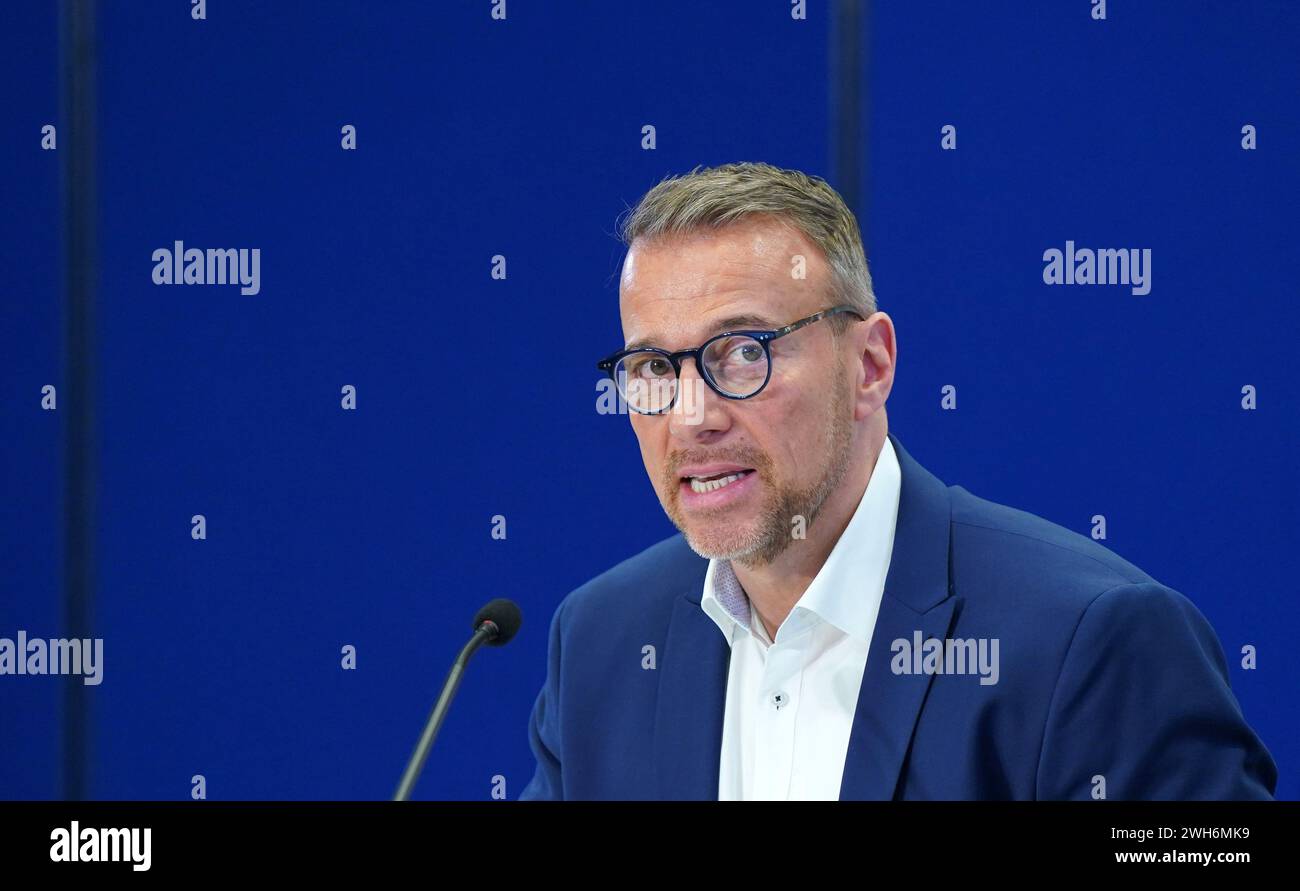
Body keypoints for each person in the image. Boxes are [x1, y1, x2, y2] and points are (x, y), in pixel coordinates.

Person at [519, 161, 1277, 800]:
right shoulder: (600, 643)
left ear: (870, 367)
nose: (690, 418)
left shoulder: (1091, 642)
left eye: (743, 353)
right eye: (654, 367)